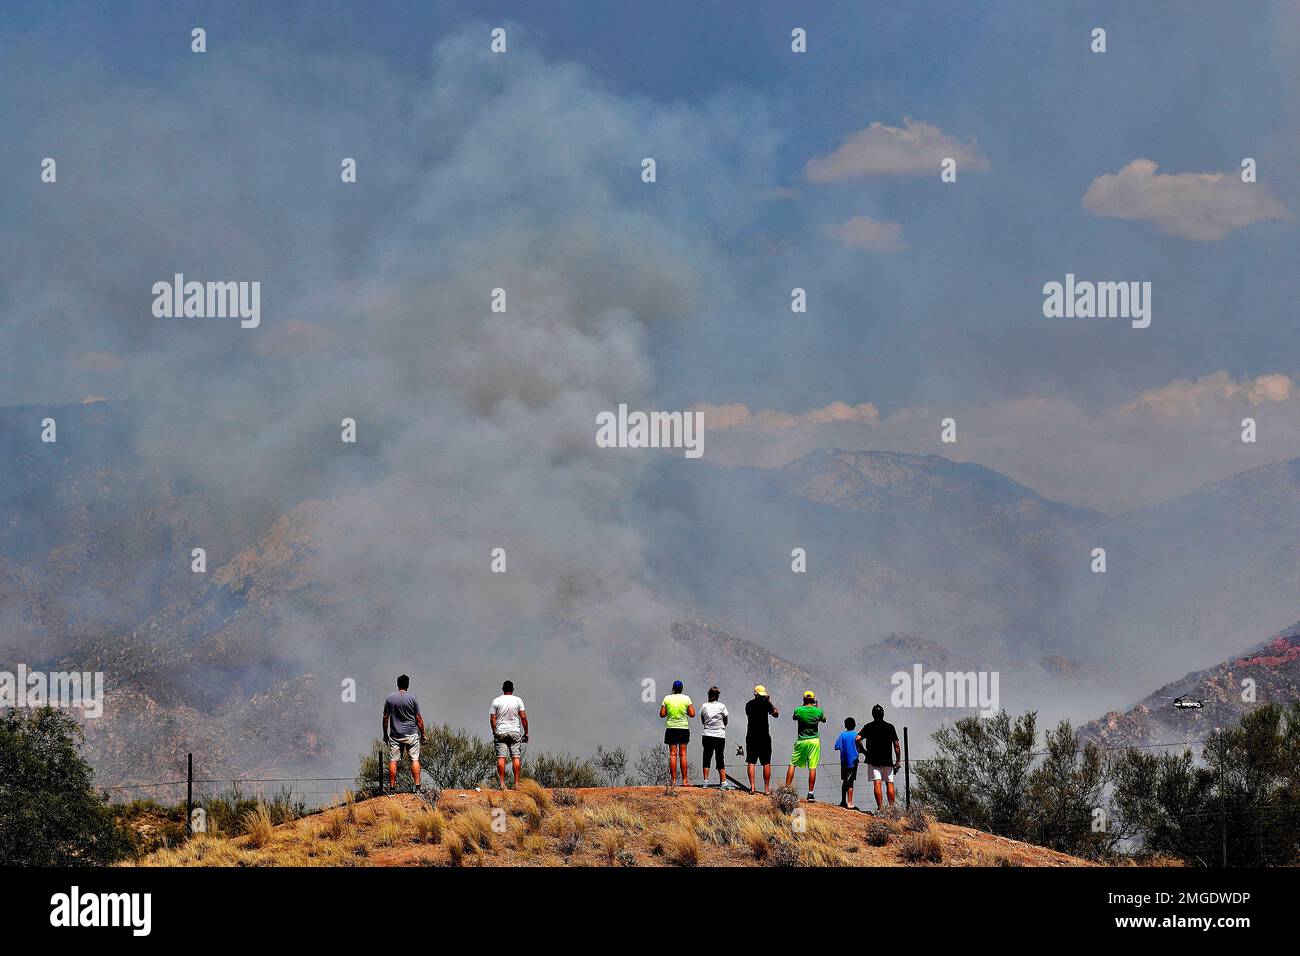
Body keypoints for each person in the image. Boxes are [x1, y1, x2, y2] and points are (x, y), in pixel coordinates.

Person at [382, 674, 425, 791]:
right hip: (411, 734)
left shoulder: (390, 698)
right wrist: (423, 734)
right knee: (415, 759)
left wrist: (385, 734)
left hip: (395, 735)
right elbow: (418, 718)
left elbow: (386, 718)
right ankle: (417, 787)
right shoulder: (412, 698)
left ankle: (392, 788)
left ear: (397, 684)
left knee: (393, 760)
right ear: (408, 685)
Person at [857, 703, 901, 811]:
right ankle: (891, 808)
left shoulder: (868, 726)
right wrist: (898, 760)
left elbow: (857, 738)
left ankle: (880, 808)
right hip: (887, 760)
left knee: (877, 782)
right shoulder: (890, 727)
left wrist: (863, 751)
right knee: (889, 782)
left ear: (873, 715)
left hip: (873, 759)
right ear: (883, 714)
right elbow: (897, 745)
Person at [784, 691, 826, 801]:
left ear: (803, 699)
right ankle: (810, 793)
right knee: (812, 767)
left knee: (793, 764)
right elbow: (824, 720)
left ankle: (787, 790)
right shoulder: (818, 711)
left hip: (802, 740)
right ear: (813, 700)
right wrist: (816, 708)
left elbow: (794, 717)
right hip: (814, 741)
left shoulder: (798, 710)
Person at [490, 680, 529, 790]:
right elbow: (523, 717)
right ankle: (516, 783)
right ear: (512, 689)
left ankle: (502, 783)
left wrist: (494, 730)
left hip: (501, 732)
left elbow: (493, 718)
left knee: (501, 757)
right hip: (514, 732)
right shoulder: (518, 700)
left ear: (502, 689)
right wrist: (526, 732)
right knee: (515, 757)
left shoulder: (496, 701)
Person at [659, 679, 695, 788]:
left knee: (672, 755)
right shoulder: (686, 698)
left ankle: (673, 781)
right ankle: (685, 781)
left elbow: (662, 714)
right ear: (682, 689)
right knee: (683, 754)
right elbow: (692, 714)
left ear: (673, 689)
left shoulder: (667, 698)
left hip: (671, 728)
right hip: (683, 728)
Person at [744, 685, 779, 794]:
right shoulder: (766, 704)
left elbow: (748, 714)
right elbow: (776, 714)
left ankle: (752, 788)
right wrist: (769, 702)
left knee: (751, 762)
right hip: (764, 736)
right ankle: (767, 790)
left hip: (751, 736)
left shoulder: (748, 705)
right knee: (766, 763)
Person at [698, 686, 729, 788]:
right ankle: (723, 782)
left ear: (709, 695)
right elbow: (726, 721)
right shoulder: (722, 706)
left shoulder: (704, 706)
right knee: (720, 757)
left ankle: (705, 782)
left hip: (707, 734)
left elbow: (703, 721)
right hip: (719, 735)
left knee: (706, 757)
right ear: (717, 696)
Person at [833, 716, 860, 809]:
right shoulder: (856, 735)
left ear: (845, 725)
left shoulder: (842, 735)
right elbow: (859, 748)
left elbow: (836, 747)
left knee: (845, 781)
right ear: (855, 725)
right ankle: (849, 802)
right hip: (853, 761)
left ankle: (843, 801)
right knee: (851, 782)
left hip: (844, 761)